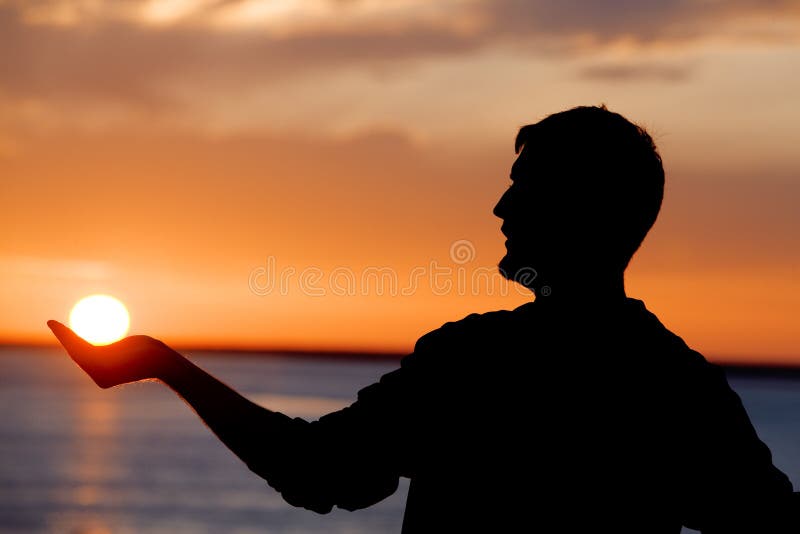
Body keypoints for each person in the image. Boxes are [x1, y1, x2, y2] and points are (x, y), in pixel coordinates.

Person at [49, 105, 799, 533]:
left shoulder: (478, 362)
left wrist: (160, 363)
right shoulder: (680, 384)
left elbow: (316, 473)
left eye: (524, 188)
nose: (501, 209)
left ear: (580, 208)